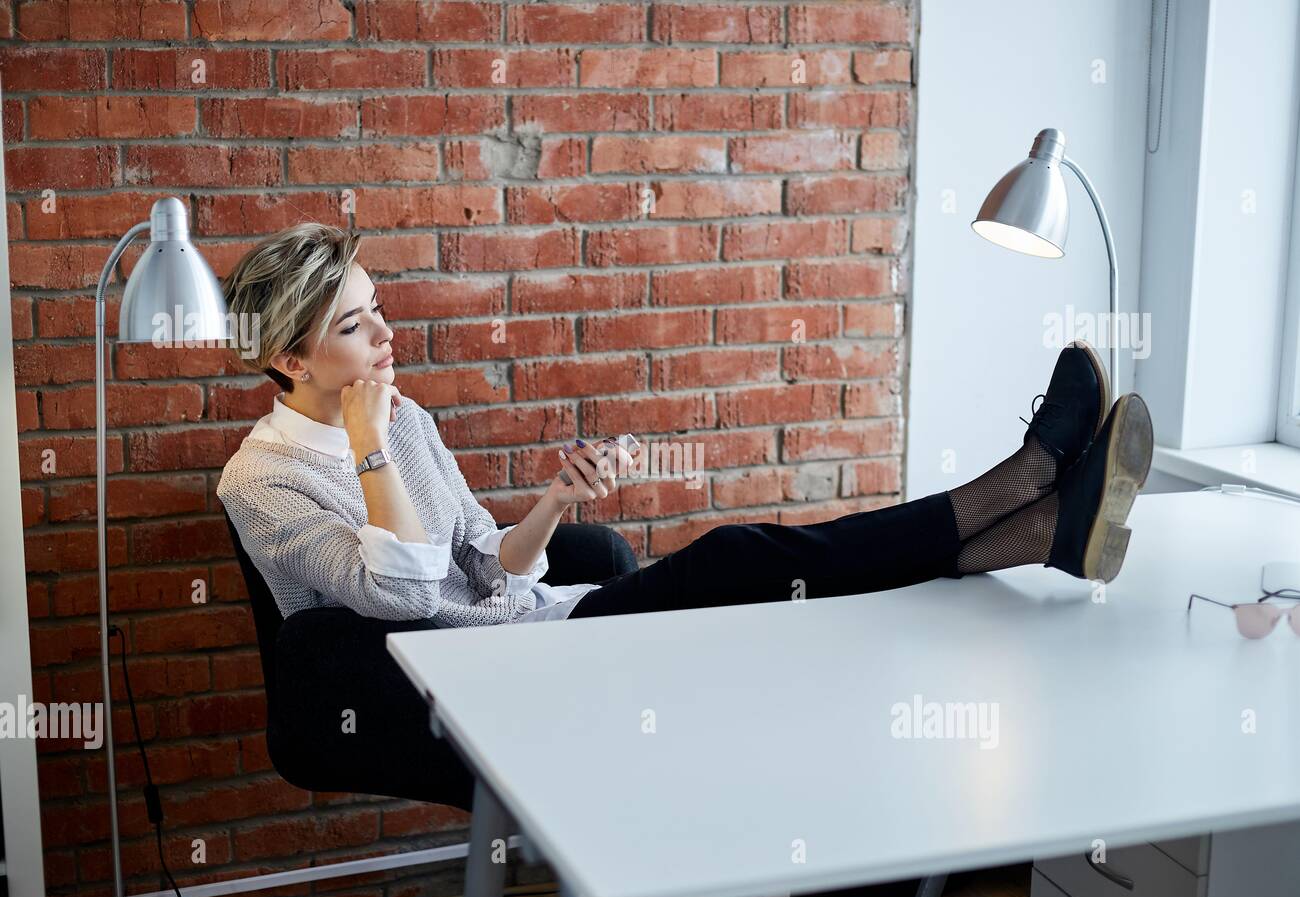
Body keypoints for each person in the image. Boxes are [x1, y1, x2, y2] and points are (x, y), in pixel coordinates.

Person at [216, 223, 1154, 631]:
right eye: (353, 324)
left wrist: (550, 501)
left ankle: (1040, 522)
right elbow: (409, 600)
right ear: (290, 359)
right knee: (739, 557)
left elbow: (483, 564)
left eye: (378, 306)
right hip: (473, 676)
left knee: (781, 590)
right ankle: (1028, 486)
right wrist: (369, 443)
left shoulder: (406, 417)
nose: (386, 333)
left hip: (537, 618)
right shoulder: (264, 481)